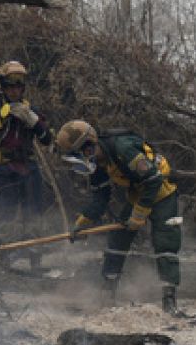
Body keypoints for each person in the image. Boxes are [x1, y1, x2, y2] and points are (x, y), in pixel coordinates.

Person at [51, 120, 184, 315]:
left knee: (165, 242)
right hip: (140, 192)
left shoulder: (123, 149)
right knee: (117, 240)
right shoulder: (98, 164)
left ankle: (169, 300)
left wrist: (139, 215)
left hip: (162, 191)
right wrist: (81, 225)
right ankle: (108, 294)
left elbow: (154, 180)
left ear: (88, 147)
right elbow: (100, 198)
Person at [0, 60, 54, 254]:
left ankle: (33, 256)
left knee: (34, 216)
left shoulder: (31, 111)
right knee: (6, 217)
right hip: (3, 171)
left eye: (19, 85)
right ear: (3, 86)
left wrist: (33, 121)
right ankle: (3, 256)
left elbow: (47, 139)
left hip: (29, 169)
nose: (15, 90)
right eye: (10, 85)